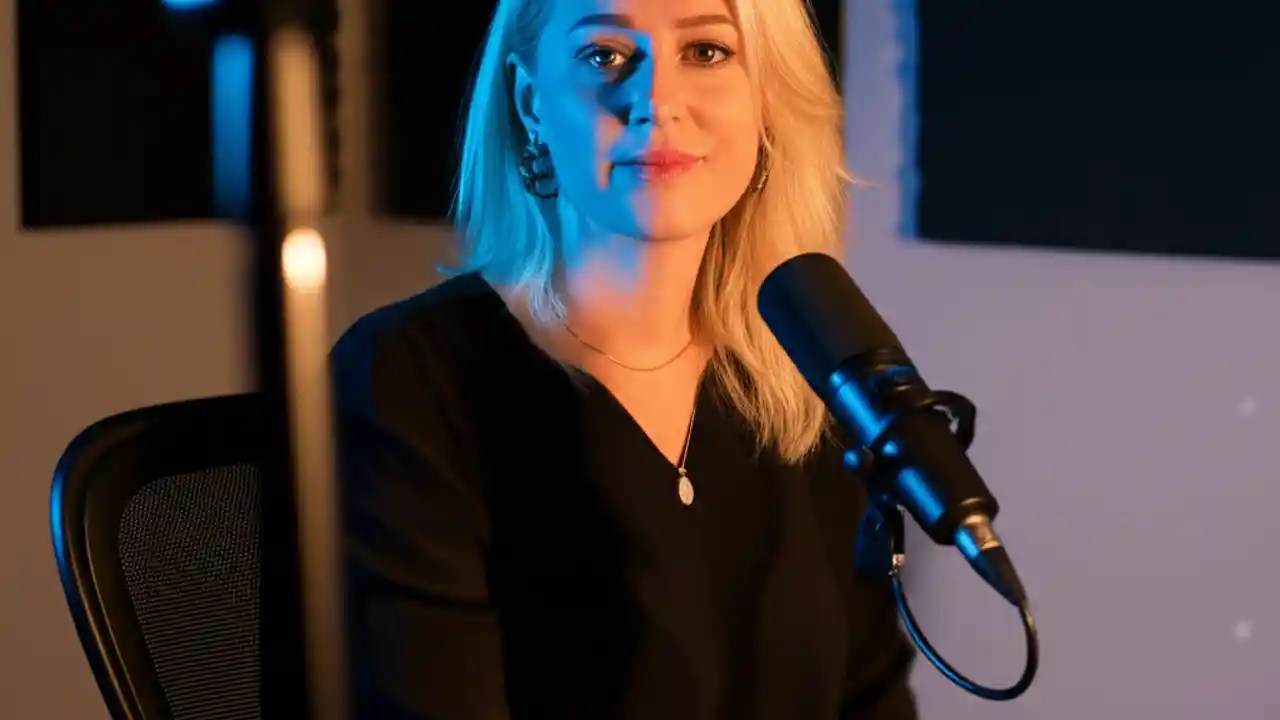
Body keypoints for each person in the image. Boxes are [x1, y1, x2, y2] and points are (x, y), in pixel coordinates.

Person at [330, 0, 919, 717]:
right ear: (530, 102)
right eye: (604, 56)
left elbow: (871, 698)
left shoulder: (815, 378)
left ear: (767, 99)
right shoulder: (404, 379)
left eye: (706, 52)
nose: (657, 101)